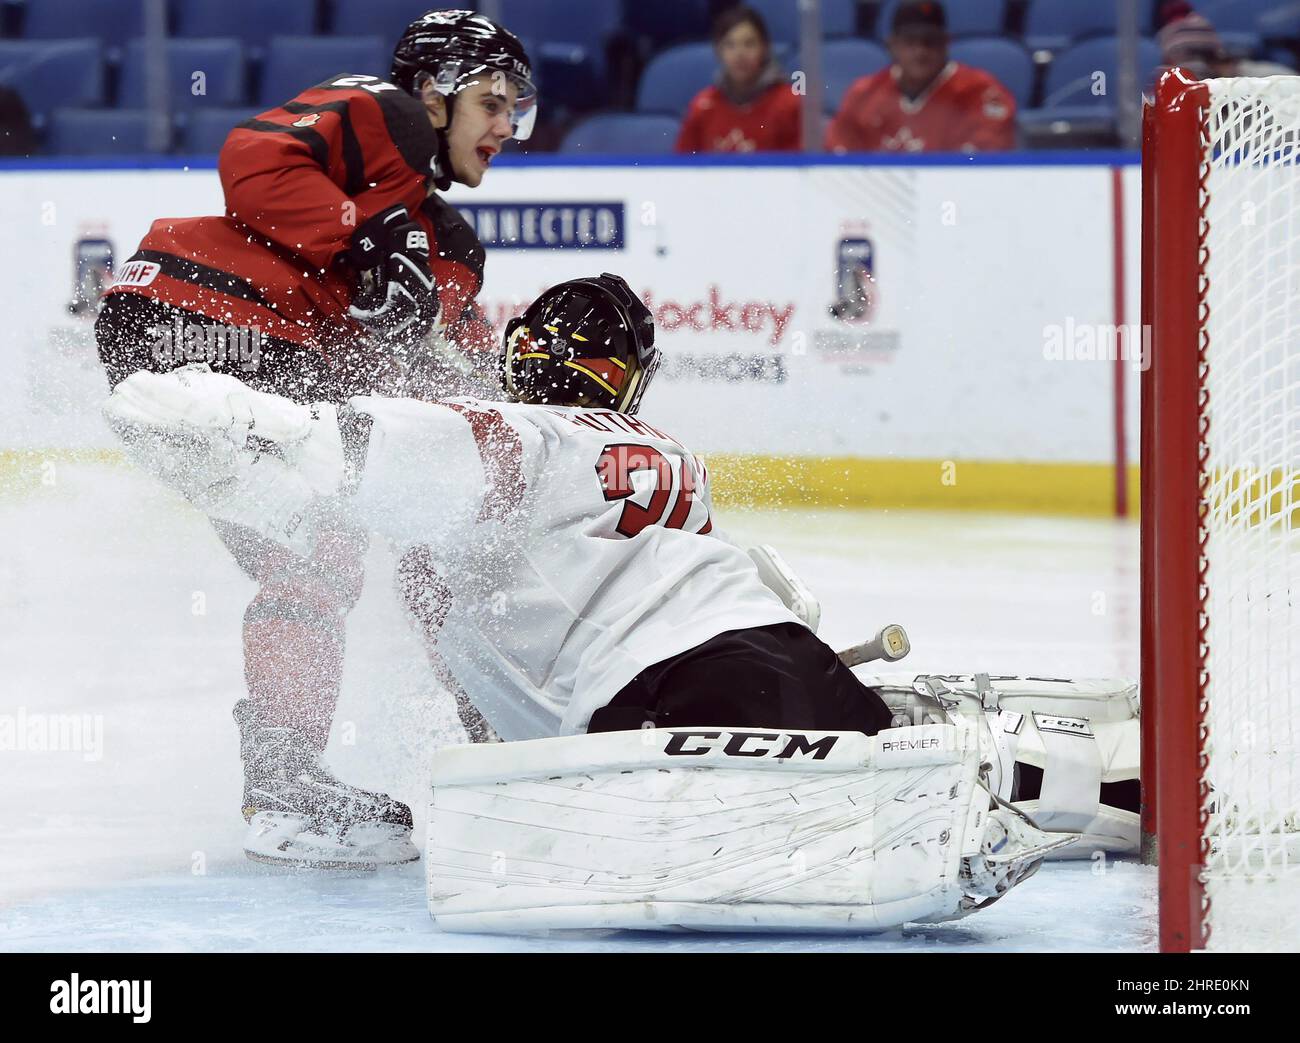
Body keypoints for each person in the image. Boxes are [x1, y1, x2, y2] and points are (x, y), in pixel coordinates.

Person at [106, 275, 1095, 919]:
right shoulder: (668, 450)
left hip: (674, 697)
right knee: (879, 783)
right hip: (788, 659)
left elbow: (395, 450)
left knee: (760, 870)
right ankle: (1065, 775)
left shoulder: (522, 437)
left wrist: (247, 422)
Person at [94, 9, 537, 869]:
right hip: (198, 323)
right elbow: (251, 161)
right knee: (320, 543)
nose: (505, 128)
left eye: (517, 107)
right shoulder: (385, 115)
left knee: (407, 532)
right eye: (491, 102)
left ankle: (497, 735)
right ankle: (286, 782)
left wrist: (520, 413)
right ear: (435, 94)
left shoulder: (446, 243)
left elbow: (434, 375)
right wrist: (359, 234)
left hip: (270, 373)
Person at [826, 0, 1015, 154]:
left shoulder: (981, 91)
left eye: (929, 41)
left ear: (946, 43)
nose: (920, 52)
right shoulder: (864, 93)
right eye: (910, 41)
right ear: (892, 45)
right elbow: (839, 160)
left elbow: (985, 165)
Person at [675, 5, 801, 153]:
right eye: (730, 45)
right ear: (718, 51)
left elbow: (801, 169)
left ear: (765, 48)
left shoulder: (790, 104)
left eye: (749, 44)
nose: (740, 54)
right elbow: (682, 168)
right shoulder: (702, 106)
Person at [1157, 1, 1295, 79]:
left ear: (1219, 55)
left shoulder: (1273, 81)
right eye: (1185, 59)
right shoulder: (1166, 96)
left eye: (1204, 55)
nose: (1197, 66)